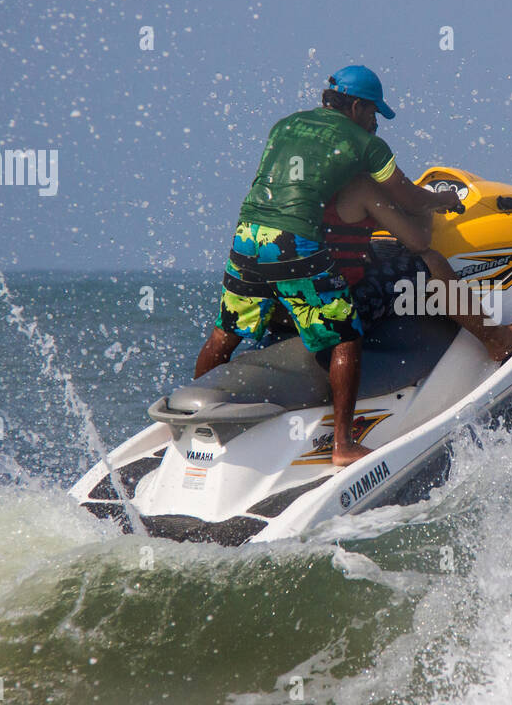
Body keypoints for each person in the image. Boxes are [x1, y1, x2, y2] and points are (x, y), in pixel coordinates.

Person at [193, 65, 459, 466]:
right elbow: (410, 197)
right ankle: (343, 445)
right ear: (355, 106)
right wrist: (444, 201)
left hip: (249, 232)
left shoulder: (286, 126)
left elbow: (298, 179)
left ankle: (191, 428)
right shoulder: (366, 144)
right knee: (344, 335)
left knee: (225, 332)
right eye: (373, 113)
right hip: (292, 239)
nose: (374, 122)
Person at [322, 177, 512, 359]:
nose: (375, 123)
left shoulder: (309, 185)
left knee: (377, 253)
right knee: (431, 263)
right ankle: (497, 339)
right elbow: (419, 240)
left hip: (297, 300)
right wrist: (430, 206)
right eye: (373, 120)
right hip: (339, 307)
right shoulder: (357, 180)